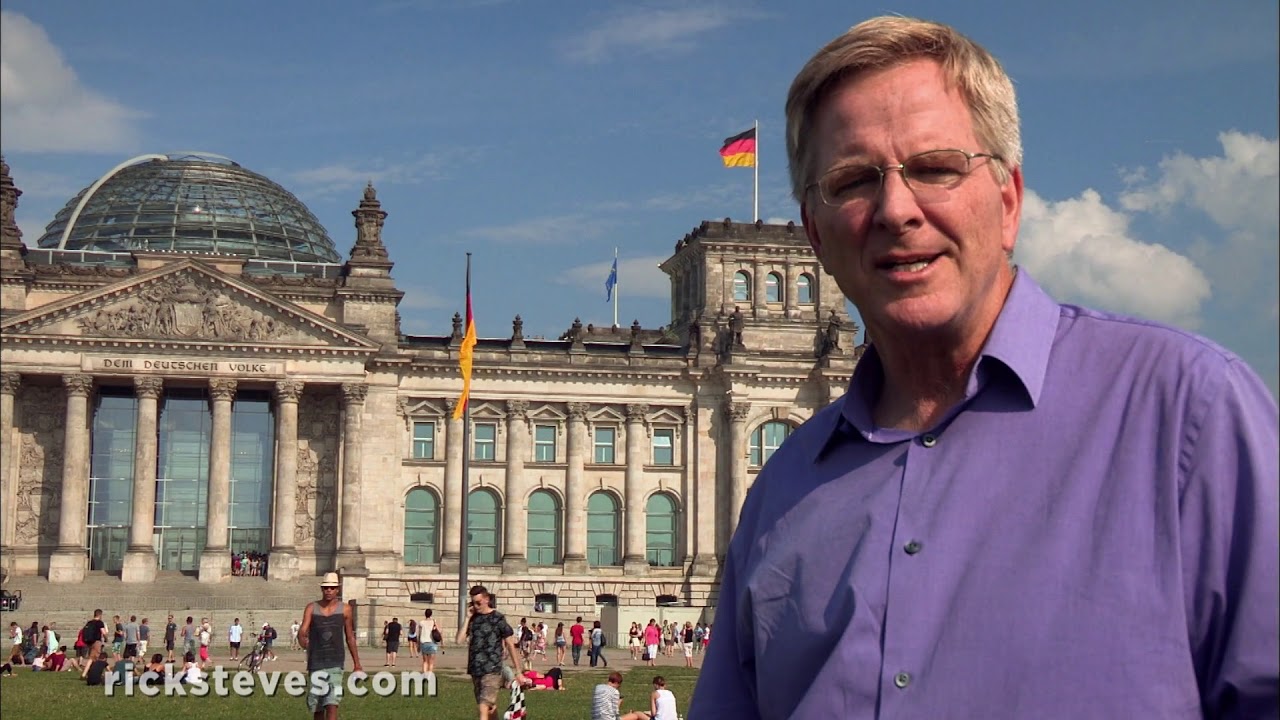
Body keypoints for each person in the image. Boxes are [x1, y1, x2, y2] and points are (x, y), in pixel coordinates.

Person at [689, 15, 1279, 720]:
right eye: (852, 180)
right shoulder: (781, 493)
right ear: (816, 236)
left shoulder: (1189, 412)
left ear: (1008, 200)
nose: (896, 211)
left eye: (936, 168)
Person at [299, 572, 362, 720]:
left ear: (337, 590)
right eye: (326, 588)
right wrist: (303, 639)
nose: (329, 590)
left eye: (332, 588)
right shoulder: (311, 608)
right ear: (322, 589)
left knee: (332, 703)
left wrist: (357, 664)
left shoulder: (345, 609)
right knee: (318, 707)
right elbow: (303, 630)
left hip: (335, 662)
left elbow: (350, 637)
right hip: (316, 662)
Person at [455, 584, 521, 720]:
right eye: (473, 603)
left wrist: (518, 671)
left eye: (478, 602)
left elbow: (510, 643)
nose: (476, 606)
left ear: (486, 599)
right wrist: (467, 618)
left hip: (492, 669)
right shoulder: (473, 619)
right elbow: (459, 640)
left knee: (483, 707)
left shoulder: (498, 618)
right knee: (489, 707)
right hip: (475, 669)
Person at [80, 610, 107, 679]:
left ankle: (88, 673)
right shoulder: (100, 623)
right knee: (95, 658)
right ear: (100, 615)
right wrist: (106, 638)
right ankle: (87, 674)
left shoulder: (89, 622)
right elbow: (103, 632)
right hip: (97, 641)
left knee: (93, 658)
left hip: (90, 642)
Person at [419, 609, 439, 675]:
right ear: (431, 614)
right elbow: (439, 630)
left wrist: (418, 645)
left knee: (425, 661)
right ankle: (429, 676)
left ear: (425, 614)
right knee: (431, 662)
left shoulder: (421, 622)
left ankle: (424, 675)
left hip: (424, 642)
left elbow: (419, 634)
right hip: (432, 643)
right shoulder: (434, 622)